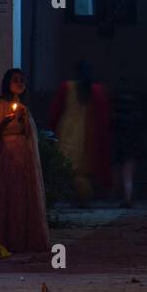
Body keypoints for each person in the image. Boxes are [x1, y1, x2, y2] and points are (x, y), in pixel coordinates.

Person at [0, 68, 50, 253]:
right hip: (4, 156)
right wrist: (6, 121)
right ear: (8, 83)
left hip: (22, 157)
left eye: (22, 80)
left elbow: (30, 134)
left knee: (20, 196)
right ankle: (2, 238)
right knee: (5, 195)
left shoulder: (24, 108)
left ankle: (21, 239)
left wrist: (25, 122)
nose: (19, 83)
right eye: (15, 80)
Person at [48, 61, 112, 203]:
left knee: (70, 167)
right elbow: (104, 115)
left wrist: (50, 130)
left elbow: (55, 112)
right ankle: (83, 198)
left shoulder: (67, 87)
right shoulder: (96, 89)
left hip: (67, 132)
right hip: (90, 135)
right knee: (82, 171)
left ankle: (80, 197)